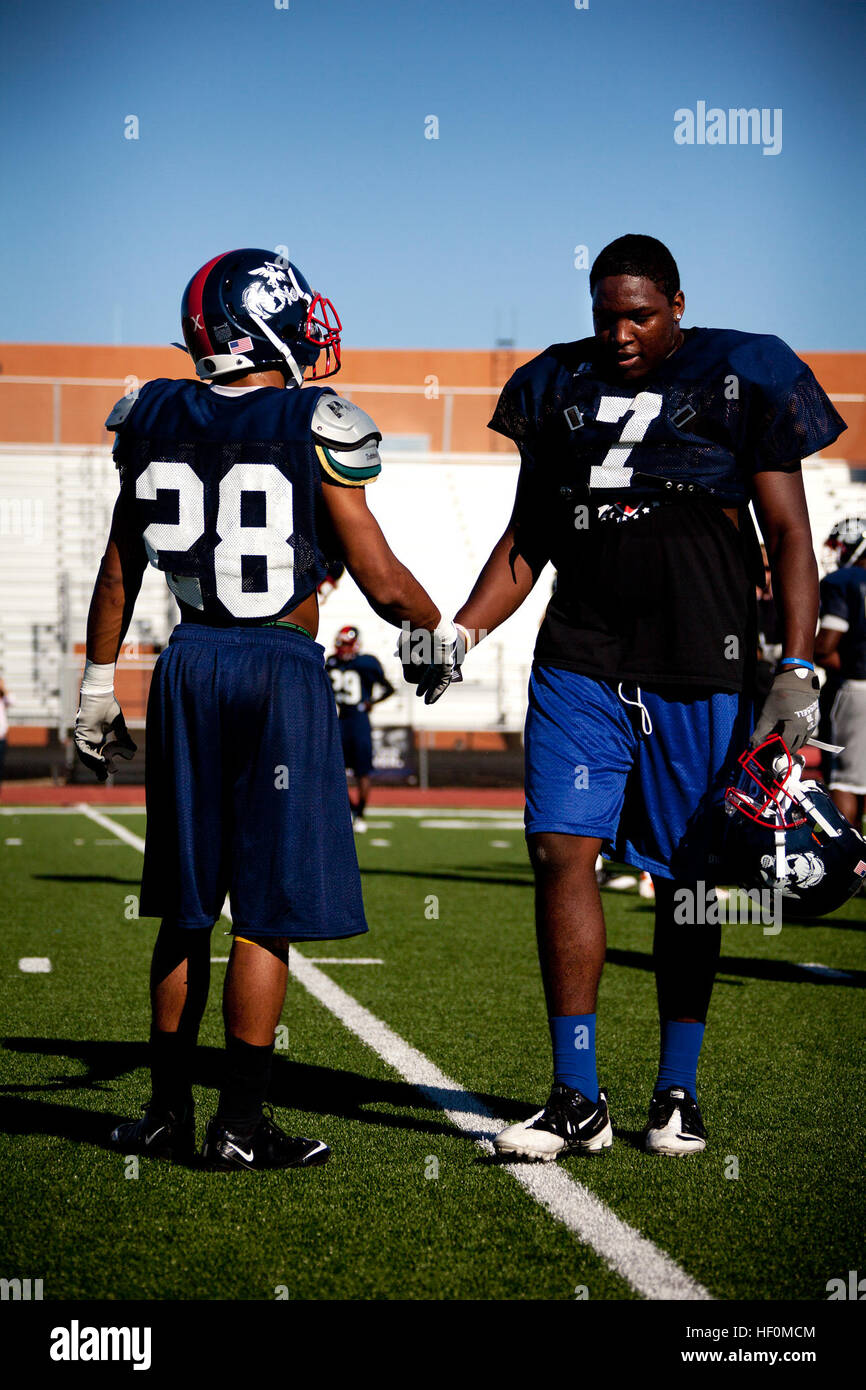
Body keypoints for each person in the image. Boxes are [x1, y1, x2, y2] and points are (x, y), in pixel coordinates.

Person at [447, 234, 844, 1159]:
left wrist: (797, 666)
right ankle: (574, 1095)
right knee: (559, 851)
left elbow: (788, 533)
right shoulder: (557, 385)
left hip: (699, 662)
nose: (620, 333)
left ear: (675, 304)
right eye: (605, 316)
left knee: (689, 884)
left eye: (640, 315)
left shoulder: (741, 370)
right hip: (580, 656)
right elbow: (528, 538)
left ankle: (677, 1088)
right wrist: (462, 632)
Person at [73, 248, 458, 1170]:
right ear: (264, 325)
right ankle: (239, 1127)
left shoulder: (152, 412)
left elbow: (121, 564)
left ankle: (167, 1113)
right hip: (278, 665)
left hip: (189, 658)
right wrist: (429, 624)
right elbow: (373, 569)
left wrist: (95, 685)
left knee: (184, 906)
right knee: (267, 911)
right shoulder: (312, 419)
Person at [814, 517, 866, 827]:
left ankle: (850, 866)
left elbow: (824, 647)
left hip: (855, 691)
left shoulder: (844, 582)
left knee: (845, 782)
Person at [326, 625, 395, 830]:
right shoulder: (331, 662)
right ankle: (350, 808)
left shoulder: (367, 662)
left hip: (359, 721)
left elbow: (388, 688)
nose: (342, 648)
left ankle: (361, 813)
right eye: (341, 644)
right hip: (340, 719)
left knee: (362, 770)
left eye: (346, 644)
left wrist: (371, 703)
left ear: (356, 645)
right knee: (333, 769)